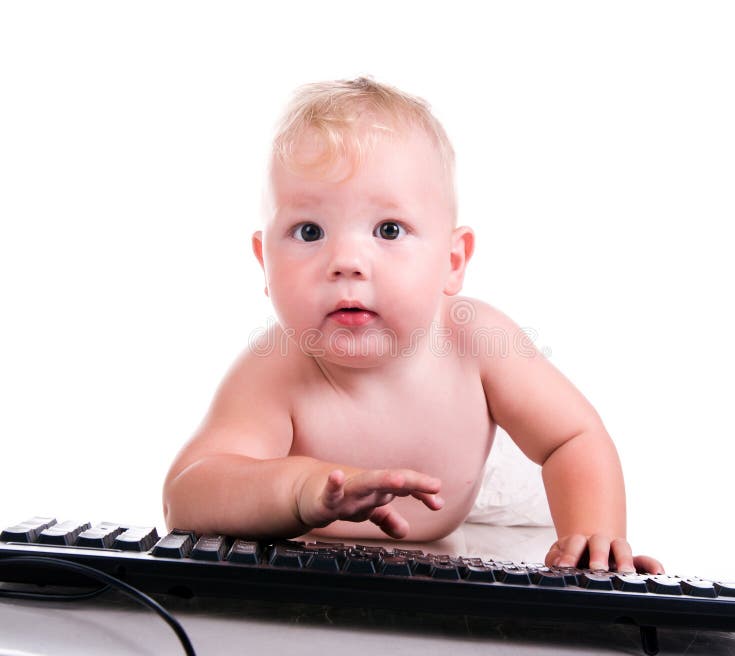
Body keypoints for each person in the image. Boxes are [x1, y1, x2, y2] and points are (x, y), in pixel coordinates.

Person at [163, 76, 662, 574]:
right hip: (327, 574)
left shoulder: (476, 341)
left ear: (452, 260)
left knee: (527, 507)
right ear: (264, 264)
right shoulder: (275, 368)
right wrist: (301, 488)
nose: (347, 261)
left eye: (389, 230)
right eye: (309, 231)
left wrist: (594, 533)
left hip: (491, 494)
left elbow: (570, 437)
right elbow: (188, 494)